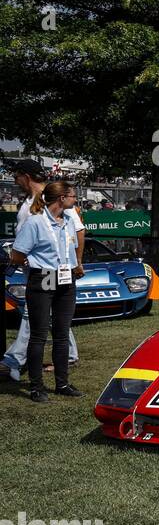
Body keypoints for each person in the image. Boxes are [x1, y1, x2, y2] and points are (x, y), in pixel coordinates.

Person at [3, 162, 81, 381]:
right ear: (61, 199)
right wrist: (30, 261)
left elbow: (76, 237)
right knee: (36, 320)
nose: (75, 200)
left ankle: (62, 363)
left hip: (63, 275)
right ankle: (21, 366)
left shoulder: (66, 217)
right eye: (73, 196)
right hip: (44, 274)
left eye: (17, 176)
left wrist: (77, 263)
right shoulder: (34, 211)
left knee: (58, 321)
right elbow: (20, 251)